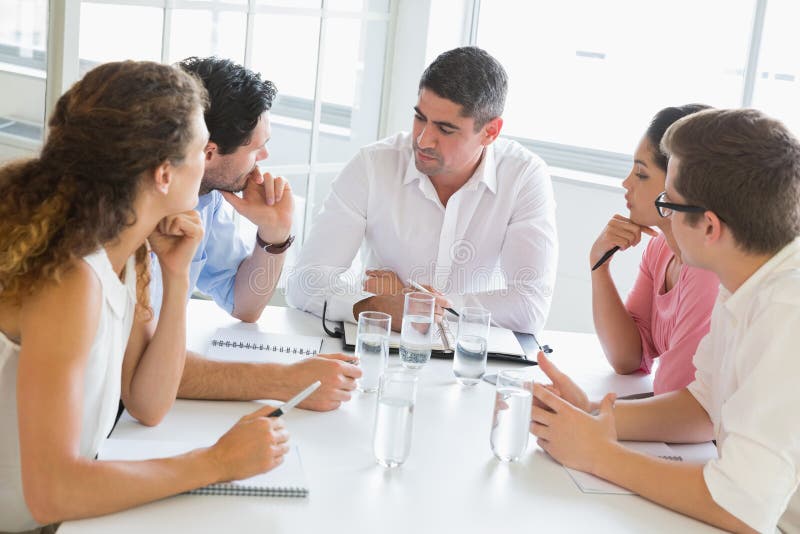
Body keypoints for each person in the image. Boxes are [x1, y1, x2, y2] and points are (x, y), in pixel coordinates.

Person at [0, 61, 289, 532]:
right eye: (200, 149)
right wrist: (215, 463)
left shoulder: (127, 251)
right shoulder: (72, 278)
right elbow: (53, 492)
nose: (207, 161)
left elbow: (150, 403)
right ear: (163, 174)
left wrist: (176, 279)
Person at [531, 108, 800, 533]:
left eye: (667, 203)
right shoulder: (743, 277)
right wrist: (592, 414)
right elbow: (700, 406)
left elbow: (742, 507)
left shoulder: (788, 311)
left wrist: (597, 453)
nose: (664, 218)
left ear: (709, 226)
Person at [286, 46, 558, 334]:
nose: (424, 140)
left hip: (472, 356)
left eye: (445, 129)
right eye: (420, 118)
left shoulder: (524, 176)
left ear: (490, 132)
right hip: (383, 344)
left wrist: (415, 303)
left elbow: (531, 307)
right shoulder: (373, 165)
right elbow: (304, 283)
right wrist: (375, 305)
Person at [147, 57, 360, 411]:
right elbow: (143, 362)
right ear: (209, 152)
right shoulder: (126, 214)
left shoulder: (205, 199)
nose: (264, 157)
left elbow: (244, 306)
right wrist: (285, 381)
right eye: (255, 148)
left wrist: (274, 235)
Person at [590, 105, 719, 394]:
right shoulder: (661, 248)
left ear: (679, 182)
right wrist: (599, 267)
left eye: (641, 174)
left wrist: (591, 414)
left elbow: (675, 392)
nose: (626, 184)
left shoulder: (707, 269)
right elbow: (628, 359)